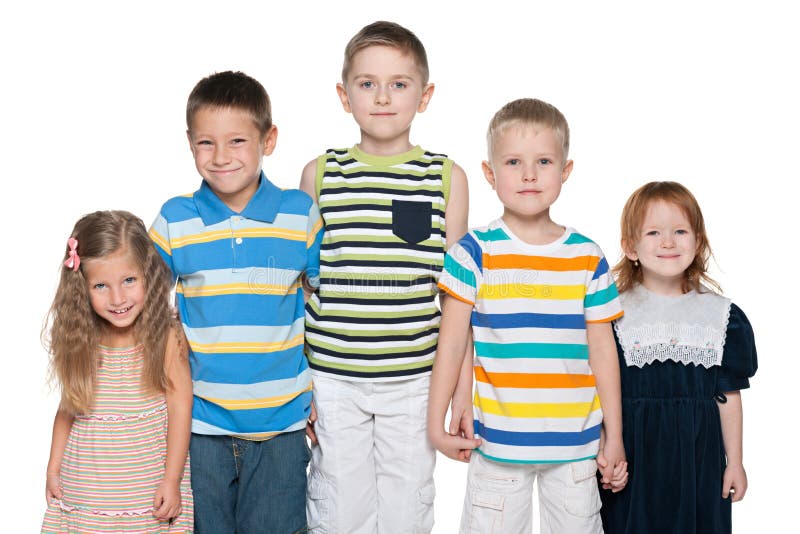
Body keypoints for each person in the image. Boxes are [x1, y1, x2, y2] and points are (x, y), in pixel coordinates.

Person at [299, 21, 470, 534]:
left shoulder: (445, 177)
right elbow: (299, 284)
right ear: (343, 94)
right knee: (336, 508)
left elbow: (460, 299)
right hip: (332, 376)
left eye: (399, 83)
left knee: (406, 510)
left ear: (424, 95)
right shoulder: (320, 174)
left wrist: (462, 390)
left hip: (416, 379)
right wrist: (296, 381)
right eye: (367, 83)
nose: (382, 97)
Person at [429, 98, 628, 534]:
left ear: (566, 170)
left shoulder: (586, 257)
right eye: (514, 162)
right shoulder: (473, 254)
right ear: (490, 173)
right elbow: (453, 342)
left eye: (543, 161)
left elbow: (603, 352)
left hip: (576, 445)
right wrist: (436, 421)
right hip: (496, 442)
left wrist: (615, 435)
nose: (529, 175)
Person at [149, 71, 323, 533]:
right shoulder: (175, 218)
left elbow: (325, 304)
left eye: (237, 141)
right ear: (190, 143)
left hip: (282, 424)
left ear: (269, 139)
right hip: (200, 426)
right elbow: (139, 301)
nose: (221, 157)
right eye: (206, 143)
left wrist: (324, 390)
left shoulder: (299, 213)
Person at [598, 181, 758, 534]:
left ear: (697, 241)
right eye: (653, 232)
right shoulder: (611, 312)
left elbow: (728, 396)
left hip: (699, 457)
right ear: (630, 247)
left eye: (680, 231)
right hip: (633, 454)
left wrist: (736, 462)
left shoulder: (721, 316)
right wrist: (606, 449)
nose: (668, 242)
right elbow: (597, 391)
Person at [41, 210, 193, 533]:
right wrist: (53, 468)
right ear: (81, 287)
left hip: (145, 498)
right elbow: (67, 410)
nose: (118, 298)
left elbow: (181, 408)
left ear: (148, 276)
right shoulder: (84, 340)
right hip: (86, 496)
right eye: (100, 286)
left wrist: (172, 478)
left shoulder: (165, 337)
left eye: (128, 280)